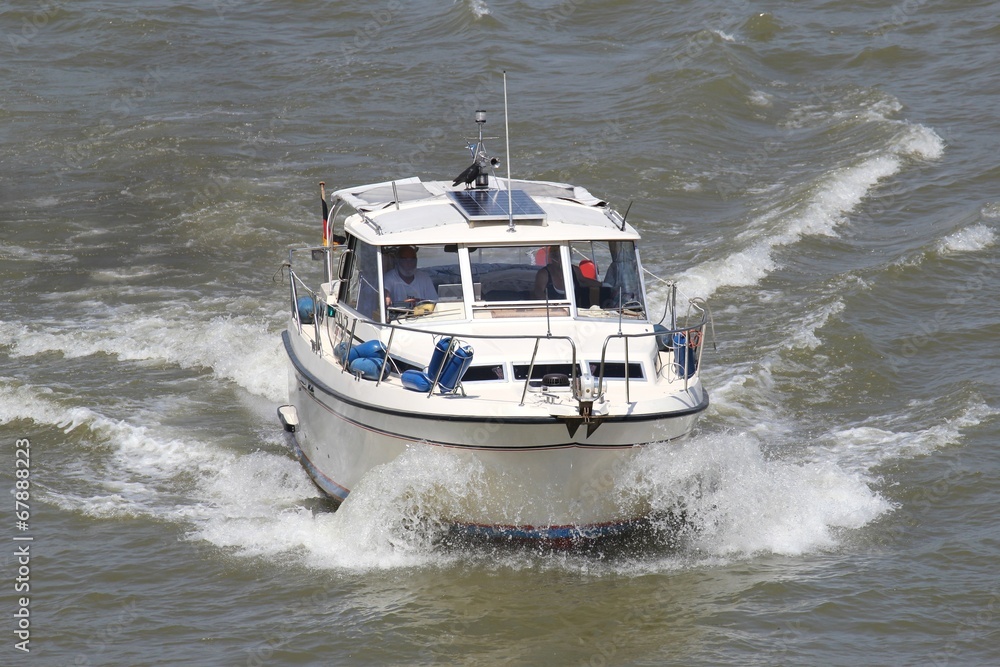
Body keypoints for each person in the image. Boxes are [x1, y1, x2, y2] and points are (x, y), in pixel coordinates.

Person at [532, 245, 601, 305]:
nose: (560, 261)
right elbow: (538, 291)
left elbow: (583, 281)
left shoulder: (574, 270)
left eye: (564, 257)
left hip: (576, 310)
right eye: (557, 257)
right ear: (552, 258)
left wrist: (603, 285)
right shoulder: (544, 273)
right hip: (553, 311)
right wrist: (550, 305)